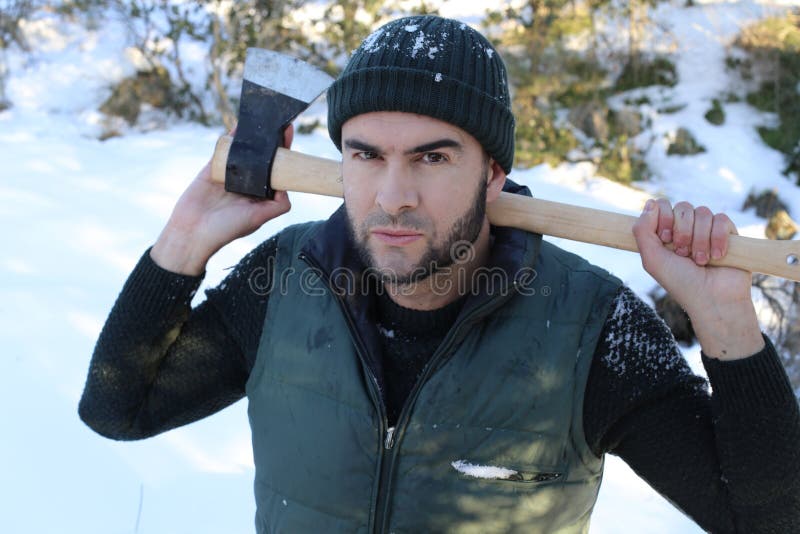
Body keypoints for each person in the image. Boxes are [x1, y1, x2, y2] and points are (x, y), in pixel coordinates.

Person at [79, 14, 800, 534]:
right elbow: (120, 409)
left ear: (493, 172)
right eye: (366, 155)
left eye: (432, 157)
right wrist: (182, 240)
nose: (393, 195)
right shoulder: (287, 279)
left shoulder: (592, 325)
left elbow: (767, 520)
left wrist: (725, 320)